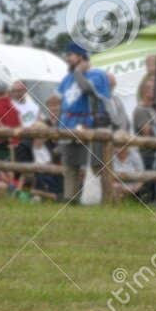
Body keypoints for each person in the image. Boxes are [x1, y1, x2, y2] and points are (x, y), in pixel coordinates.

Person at [55, 41, 113, 204]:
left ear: (81, 56)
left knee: (93, 166)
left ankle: (98, 199)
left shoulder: (97, 75)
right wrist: (58, 126)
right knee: (69, 166)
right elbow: (62, 103)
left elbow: (88, 90)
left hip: (89, 124)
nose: (67, 59)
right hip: (68, 124)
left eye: (70, 55)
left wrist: (79, 73)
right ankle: (70, 199)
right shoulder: (67, 78)